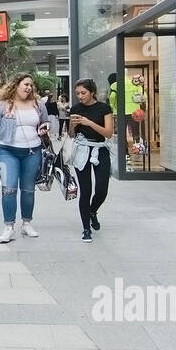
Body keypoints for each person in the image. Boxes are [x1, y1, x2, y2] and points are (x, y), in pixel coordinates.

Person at [0, 73, 50, 244]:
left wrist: (45, 128)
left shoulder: (38, 105)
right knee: (8, 189)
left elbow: (45, 123)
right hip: (6, 151)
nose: (29, 88)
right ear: (15, 85)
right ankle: (8, 227)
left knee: (28, 190)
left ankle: (26, 223)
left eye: (31, 85)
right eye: (25, 84)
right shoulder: (2, 106)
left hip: (32, 152)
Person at [67, 78, 115, 243]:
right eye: (77, 93)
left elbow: (108, 133)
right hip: (82, 150)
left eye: (83, 93)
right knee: (85, 190)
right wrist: (72, 126)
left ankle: (92, 211)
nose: (80, 96)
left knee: (102, 189)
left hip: (100, 149)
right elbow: (71, 135)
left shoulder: (104, 108)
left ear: (92, 92)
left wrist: (89, 122)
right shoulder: (75, 109)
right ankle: (86, 228)